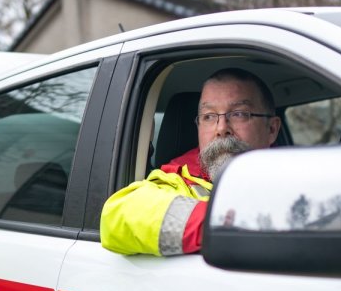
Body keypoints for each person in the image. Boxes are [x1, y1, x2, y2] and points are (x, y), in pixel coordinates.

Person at [101, 67, 281, 255]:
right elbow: (116, 216)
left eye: (239, 114)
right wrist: (232, 222)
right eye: (209, 116)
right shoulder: (178, 180)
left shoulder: (301, 174)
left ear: (272, 129)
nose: (221, 128)